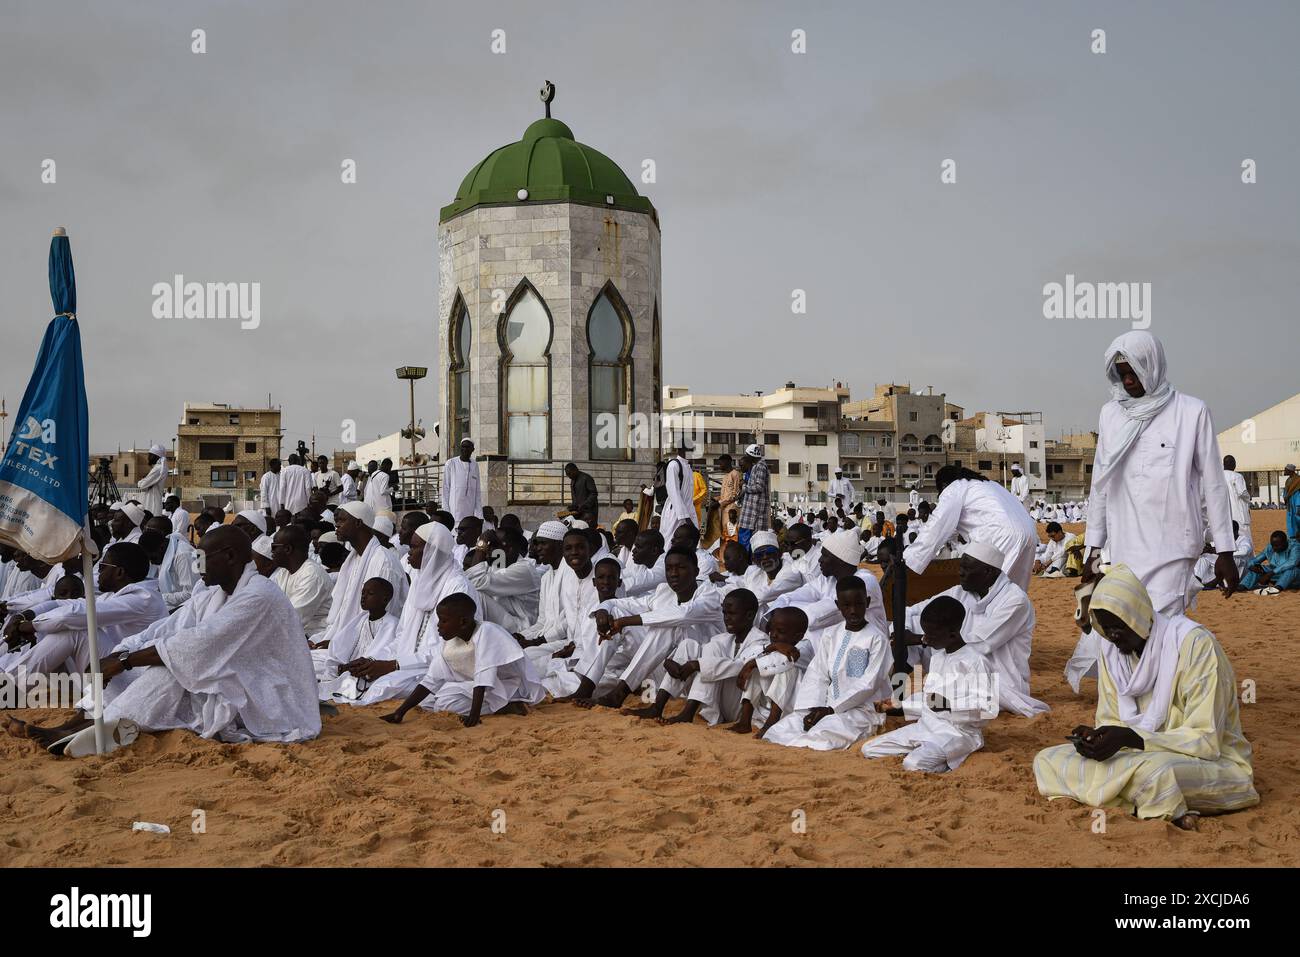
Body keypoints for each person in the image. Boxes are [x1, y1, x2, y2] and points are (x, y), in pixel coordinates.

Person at [1033, 564, 1258, 828]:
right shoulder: (1113, 652)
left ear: (1138, 616)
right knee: (1047, 760)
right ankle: (1139, 803)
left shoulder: (1194, 645)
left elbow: (1205, 739)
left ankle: (1128, 798)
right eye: (1105, 628)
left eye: (1118, 626)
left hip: (1214, 762)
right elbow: (1112, 718)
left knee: (1156, 775)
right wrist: (1098, 738)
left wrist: (1133, 738)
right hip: (1138, 756)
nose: (1112, 635)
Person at [1083, 331, 1238, 614]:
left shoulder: (1191, 412)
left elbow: (1214, 484)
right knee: (1126, 627)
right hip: (1124, 547)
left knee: (1160, 628)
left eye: (1134, 372)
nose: (1128, 381)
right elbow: (1101, 485)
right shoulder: (1111, 414)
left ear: (1152, 366)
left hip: (1173, 546)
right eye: (1122, 373)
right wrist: (1093, 549)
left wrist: (1225, 550)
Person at [901, 541, 1048, 717]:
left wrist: (921, 639)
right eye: (961, 566)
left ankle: (902, 703)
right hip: (956, 666)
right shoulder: (960, 592)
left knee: (944, 705)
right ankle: (897, 690)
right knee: (908, 625)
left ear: (988, 572)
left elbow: (980, 644)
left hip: (997, 679)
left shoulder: (1015, 600)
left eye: (967, 568)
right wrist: (904, 633)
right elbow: (911, 611)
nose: (960, 572)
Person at [861, 596, 998, 772]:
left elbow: (989, 708)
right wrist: (899, 704)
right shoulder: (937, 658)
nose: (925, 639)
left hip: (959, 734)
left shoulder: (977, 662)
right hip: (927, 726)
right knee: (870, 749)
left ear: (952, 634)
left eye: (931, 635)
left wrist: (949, 706)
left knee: (912, 764)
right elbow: (929, 701)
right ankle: (932, 755)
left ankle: (945, 760)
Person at [1, 542, 166, 685]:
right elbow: (67, 603)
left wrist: (30, 626)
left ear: (119, 573)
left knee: (75, 631)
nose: (97, 574)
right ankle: (7, 678)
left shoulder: (143, 598)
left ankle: (8, 686)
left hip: (130, 678)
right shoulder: (115, 595)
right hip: (110, 670)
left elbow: (72, 615)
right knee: (57, 623)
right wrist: (24, 616)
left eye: (102, 567)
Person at [583, 547, 724, 710]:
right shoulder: (664, 593)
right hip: (671, 671)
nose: (674, 573)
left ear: (696, 571)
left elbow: (683, 614)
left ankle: (619, 693)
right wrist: (603, 611)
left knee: (663, 625)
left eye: (681, 567)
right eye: (669, 568)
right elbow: (617, 603)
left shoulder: (709, 594)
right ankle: (596, 685)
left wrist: (624, 622)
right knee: (622, 613)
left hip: (702, 671)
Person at [763, 576, 893, 750]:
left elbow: (868, 683)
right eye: (847, 605)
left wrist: (832, 709)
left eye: (859, 604)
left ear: (867, 602)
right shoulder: (831, 634)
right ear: (838, 606)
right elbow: (818, 673)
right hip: (825, 705)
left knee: (821, 737)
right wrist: (815, 706)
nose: (853, 611)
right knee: (781, 730)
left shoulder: (877, 639)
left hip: (862, 710)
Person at [380, 593, 545, 726]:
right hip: (480, 687)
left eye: (444, 621)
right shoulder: (451, 641)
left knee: (446, 703)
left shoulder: (487, 631)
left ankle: (508, 706)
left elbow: (483, 678)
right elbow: (430, 681)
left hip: (507, 686)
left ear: (463, 622)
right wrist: (400, 712)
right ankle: (495, 706)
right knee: (429, 702)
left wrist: (473, 716)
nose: (439, 626)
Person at [621, 587, 767, 725]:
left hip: (741, 708)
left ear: (749, 615)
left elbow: (742, 666)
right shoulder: (722, 639)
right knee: (688, 645)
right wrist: (671, 661)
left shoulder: (761, 640)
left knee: (708, 658)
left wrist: (696, 665)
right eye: (724, 613)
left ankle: (688, 713)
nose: (726, 618)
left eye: (732, 614)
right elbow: (700, 656)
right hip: (719, 704)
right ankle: (657, 707)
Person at [904, 464, 1039, 590]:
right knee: (1014, 593)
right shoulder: (989, 484)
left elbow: (936, 527)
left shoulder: (955, 487)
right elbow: (951, 530)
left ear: (944, 484)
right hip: (1030, 534)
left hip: (1001, 536)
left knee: (988, 593)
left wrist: (908, 560)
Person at [270, 524, 334, 635]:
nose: (271, 552)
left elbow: (292, 619)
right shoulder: (283, 573)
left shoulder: (312, 575)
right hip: (294, 634)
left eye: (274, 547)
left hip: (315, 637)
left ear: (288, 549)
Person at [658, 438, 698, 545]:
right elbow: (674, 493)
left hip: (689, 511)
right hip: (676, 513)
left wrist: (690, 515)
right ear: (681, 450)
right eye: (690, 450)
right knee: (669, 543)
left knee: (694, 542)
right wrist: (685, 517)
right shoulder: (673, 465)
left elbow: (688, 495)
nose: (692, 452)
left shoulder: (688, 466)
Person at [734, 444, 771, 551]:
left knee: (749, 543)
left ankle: (746, 563)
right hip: (751, 512)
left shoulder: (760, 466)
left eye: (747, 455)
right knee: (747, 542)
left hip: (753, 513)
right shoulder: (758, 466)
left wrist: (745, 487)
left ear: (751, 455)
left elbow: (759, 486)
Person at [1240, 530, 1300, 594]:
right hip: (1274, 574)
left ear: (1285, 542)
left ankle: (1277, 588)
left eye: (1277, 546)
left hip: (1293, 578)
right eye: (1273, 545)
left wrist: (1271, 573)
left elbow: (1292, 562)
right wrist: (1251, 566)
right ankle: (1242, 586)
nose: (1274, 548)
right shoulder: (1270, 547)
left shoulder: (1295, 546)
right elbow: (1255, 560)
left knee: (1292, 570)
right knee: (1257, 567)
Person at [443, 438, 482, 524]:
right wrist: (446, 511)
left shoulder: (475, 465)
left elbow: (477, 491)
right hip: (454, 510)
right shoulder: (451, 463)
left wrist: (479, 514)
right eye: (463, 446)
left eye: (468, 447)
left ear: (473, 449)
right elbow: (445, 488)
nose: (465, 449)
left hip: (469, 509)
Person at [134, 444, 169, 517]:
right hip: (150, 502)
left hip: (151, 504)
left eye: (150, 455)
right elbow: (145, 484)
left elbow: (141, 485)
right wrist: (146, 481)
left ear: (156, 456)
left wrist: (143, 481)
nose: (148, 457)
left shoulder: (158, 469)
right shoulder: (158, 468)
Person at [1285, 464, 1300, 542]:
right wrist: (1285, 497)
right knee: (1290, 519)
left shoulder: (1298, 480)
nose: (1284, 471)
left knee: (1298, 518)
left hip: (1297, 503)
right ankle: (1292, 535)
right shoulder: (1288, 480)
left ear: (1290, 471)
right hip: (1290, 503)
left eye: (1286, 469)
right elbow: (1286, 491)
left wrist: (1298, 504)